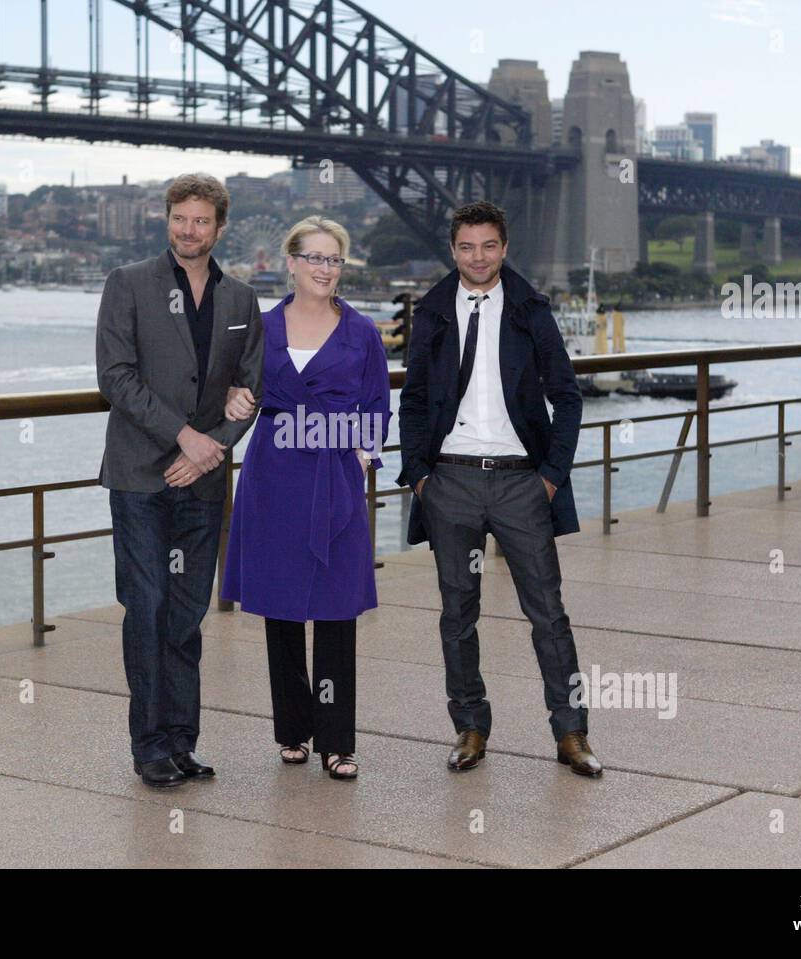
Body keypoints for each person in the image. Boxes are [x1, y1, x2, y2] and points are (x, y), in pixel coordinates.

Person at [396, 200, 601, 777]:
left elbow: (567, 396)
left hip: (520, 482)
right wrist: (419, 477)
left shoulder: (532, 309)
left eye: (488, 246)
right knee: (457, 613)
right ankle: (470, 727)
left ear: (504, 248)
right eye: (466, 247)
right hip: (451, 481)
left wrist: (552, 477)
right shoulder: (433, 312)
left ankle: (572, 734)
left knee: (549, 614)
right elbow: (412, 400)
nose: (478, 257)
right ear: (453, 249)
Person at [95, 173, 264, 787]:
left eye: (200, 221)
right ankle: (148, 746)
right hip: (140, 476)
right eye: (178, 218)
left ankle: (182, 742)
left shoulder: (242, 300)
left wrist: (211, 448)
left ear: (220, 228)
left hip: (203, 479)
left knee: (186, 614)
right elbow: (114, 377)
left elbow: (249, 392)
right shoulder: (129, 284)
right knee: (147, 607)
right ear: (166, 220)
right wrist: (183, 436)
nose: (188, 230)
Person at [220, 216, 391, 781]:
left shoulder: (362, 331)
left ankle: (338, 740)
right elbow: (231, 386)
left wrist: (364, 452)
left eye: (334, 260)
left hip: (335, 473)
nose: (325, 269)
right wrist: (235, 399)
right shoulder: (259, 327)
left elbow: (376, 406)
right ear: (289, 263)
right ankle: (293, 730)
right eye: (314, 258)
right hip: (274, 476)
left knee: (337, 612)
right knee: (283, 609)